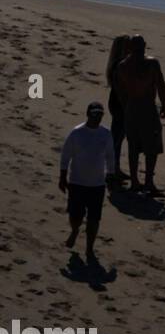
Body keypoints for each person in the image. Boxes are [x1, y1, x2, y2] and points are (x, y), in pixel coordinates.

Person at [59, 102, 115, 260]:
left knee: (94, 219)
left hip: (97, 184)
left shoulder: (106, 134)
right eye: (94, 113)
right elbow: (66, 155)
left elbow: (110, 156)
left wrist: (111, 175)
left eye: (100, 114)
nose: (97, 117)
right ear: (88, 114)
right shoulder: (77, 133)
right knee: (75, 216)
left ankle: (89, 248)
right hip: (77, 182)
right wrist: (62, 177)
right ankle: (75, 230)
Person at [115, 36, 165, 195]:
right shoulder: (151, 63)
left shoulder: (122, 66)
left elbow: (119, 91)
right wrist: (164, 104)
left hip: (132, 107)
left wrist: (127, 106)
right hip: (147, 108)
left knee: (133, 146)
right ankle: (148, 182)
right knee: (150, 148)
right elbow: (161, 85)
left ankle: (136, 182)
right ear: (144, 46)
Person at [105, 34, 132, 181]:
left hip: (117, 103)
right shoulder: (119, 64)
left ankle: (115, 168)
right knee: (117, 137)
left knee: (118, 137)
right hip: (119, 104)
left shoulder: (117, 63)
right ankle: (112, 170)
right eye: (128, 45)